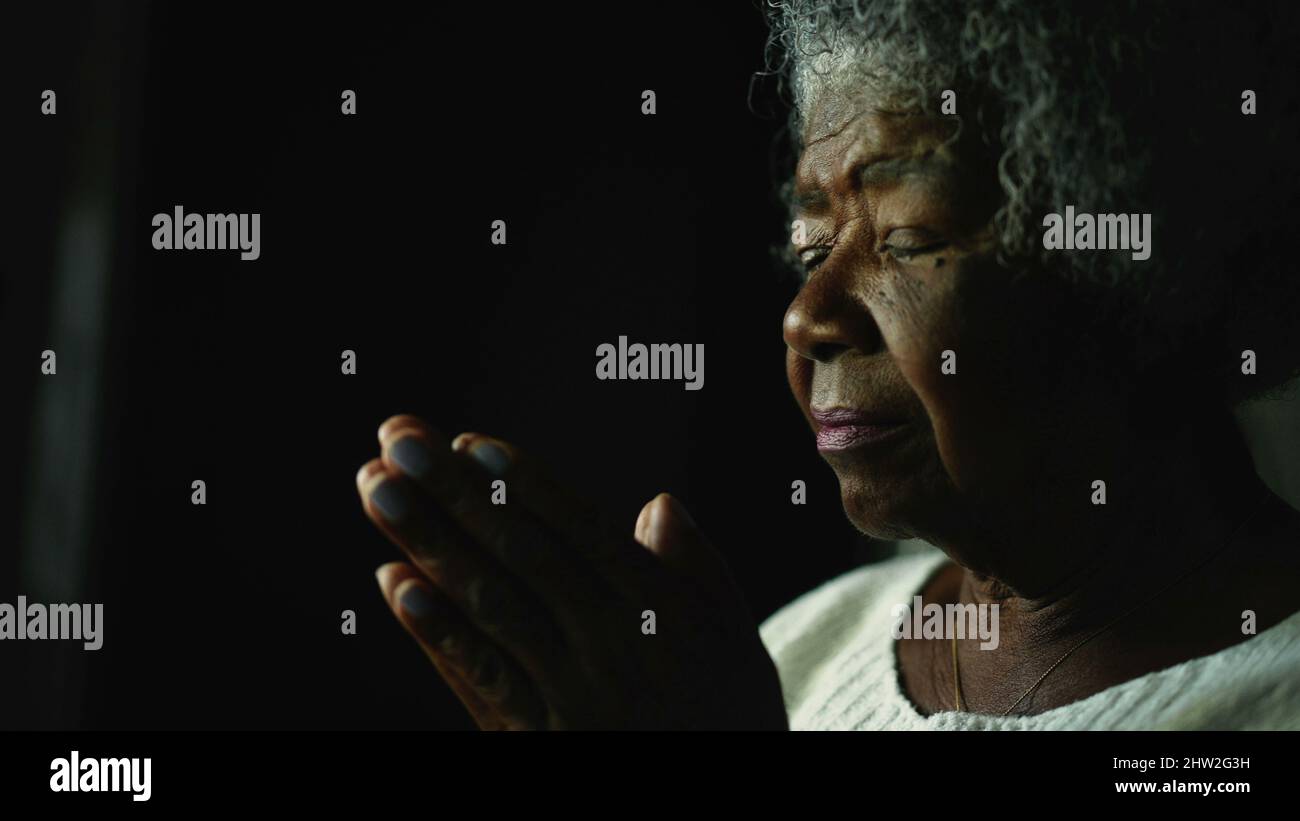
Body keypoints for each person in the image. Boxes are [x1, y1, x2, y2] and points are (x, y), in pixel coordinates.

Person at [354, 0, 1300, 729]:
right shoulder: (804, 643)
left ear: (1149, 267)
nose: (807, 317)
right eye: (813, 249)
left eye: (908, 239)